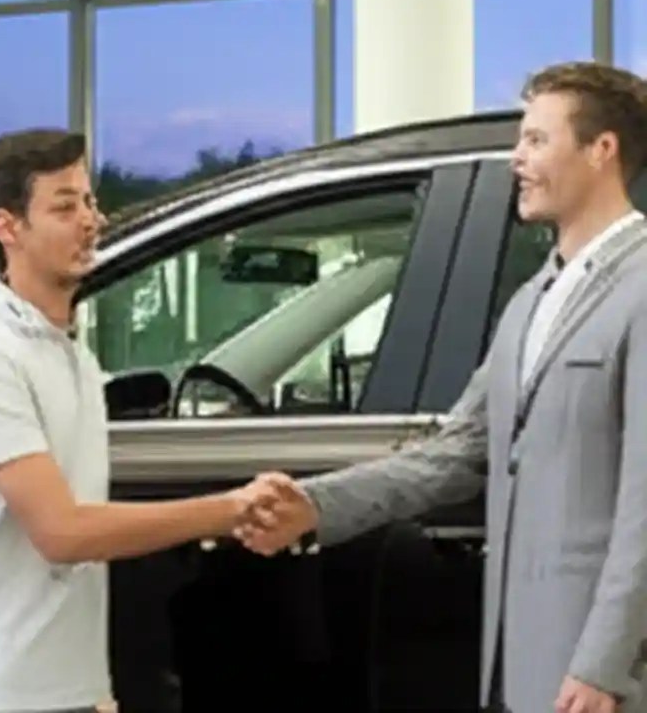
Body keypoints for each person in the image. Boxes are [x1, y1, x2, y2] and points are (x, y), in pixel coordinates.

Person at [235, 61, 647, 713]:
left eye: (537, 140)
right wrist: (314, 506)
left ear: (603, 150)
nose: (517, 159)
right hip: (518, 665)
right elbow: (455, 453)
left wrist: (605, 666)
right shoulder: (531, 302)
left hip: (601, 679)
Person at [0, 128, 283, 713]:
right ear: (7, 227)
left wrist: (94, 692)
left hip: (65, 686)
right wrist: (228, 508)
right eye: (65, 206)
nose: (92, 220)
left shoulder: (72, 354)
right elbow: (63, 532)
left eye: (89, 200)